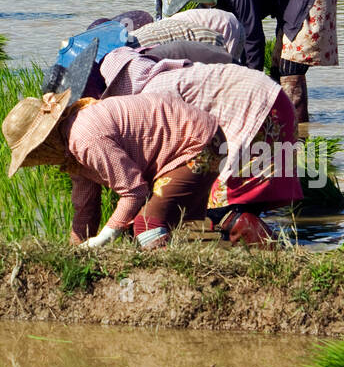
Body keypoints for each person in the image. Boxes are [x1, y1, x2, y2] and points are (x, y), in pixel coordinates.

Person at [99, 46, 303, 243]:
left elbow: (174, 153)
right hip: (276, 102)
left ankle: (274, 253)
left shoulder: (153, 93)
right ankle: (258, 255)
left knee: (219, 204)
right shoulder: (166, 77)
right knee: (238, 198)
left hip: (257, 112)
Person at [3, 88, 226, 251]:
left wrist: (103, 239)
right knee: (167, 223)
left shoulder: (85, 140)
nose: (41, 160)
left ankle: (171, 287)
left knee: (146, 226)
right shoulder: (71, 149)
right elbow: (86, 207)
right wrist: (74, 250)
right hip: (192, 142)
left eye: (35, 153)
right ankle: (235, 225)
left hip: (197, 144)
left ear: (46, 140)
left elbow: (134, 191)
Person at [164, 0, 338, 126]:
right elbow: (239, 39)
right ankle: (277, 124)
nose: (202, 3)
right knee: (278, 68)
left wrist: (252, 82)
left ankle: (298, 135)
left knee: (291, 69)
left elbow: (254, 37)